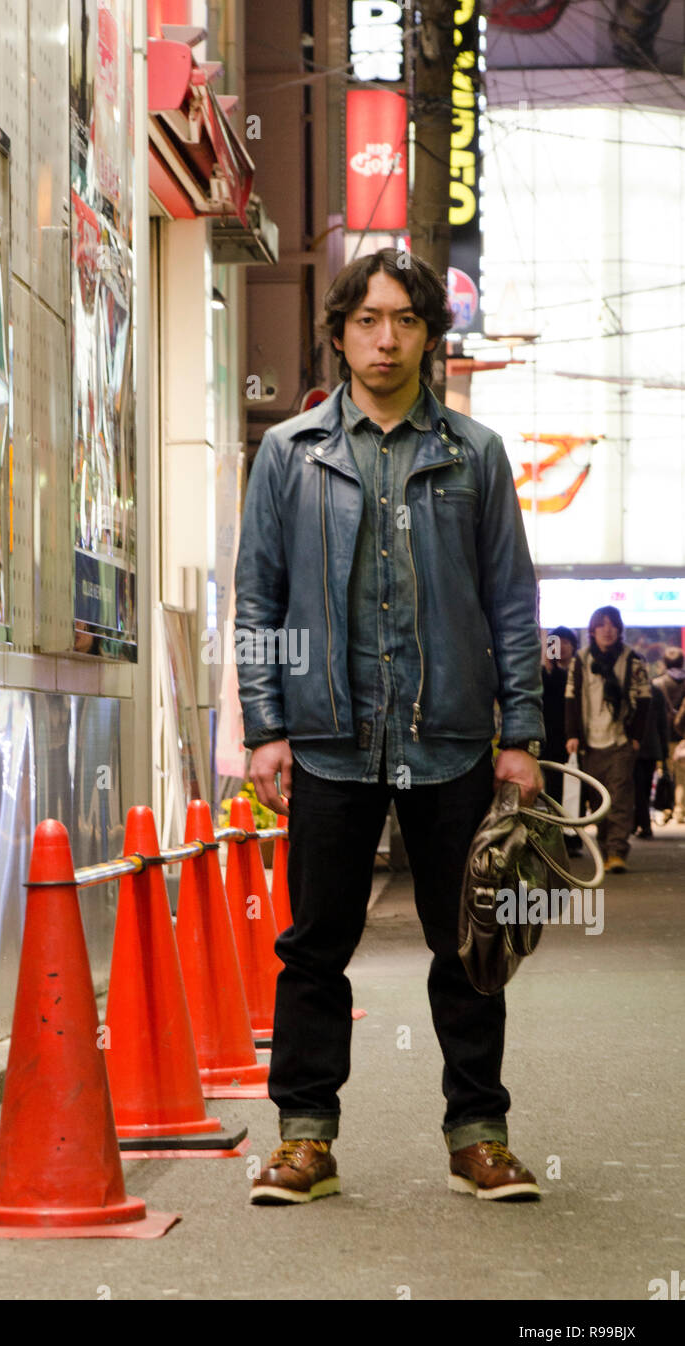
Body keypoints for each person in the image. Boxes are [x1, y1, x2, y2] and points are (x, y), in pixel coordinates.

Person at [234, 249, 546, 1207]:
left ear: (427, 335)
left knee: (470, 944)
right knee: (314, 945)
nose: (384, 337)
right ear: (339, 331)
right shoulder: (291, 453)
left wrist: (520, 734)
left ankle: (479, 1133)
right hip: (330, 738)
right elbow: (261, 598)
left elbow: (510, 602)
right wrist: (266, 723)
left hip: (448, 737)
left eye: (404, 320)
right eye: (367, 319)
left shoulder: (473, 454)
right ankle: (304, 1140)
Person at [564, 606, 650, 872]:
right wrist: (572, 735)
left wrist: (635, 737)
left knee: (620, 795)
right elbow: (571, 698)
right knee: (597, 799)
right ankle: (605, 844)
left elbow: (645, 699)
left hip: (620, 740)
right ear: (593, 630)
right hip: (590, 742)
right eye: (601, 625)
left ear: (619, 629)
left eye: (612, 624)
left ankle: (616, 850)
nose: (607, 630)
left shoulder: (633, 659)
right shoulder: (580, 660)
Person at [541, 625, 581, 853]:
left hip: (572, 739)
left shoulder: (580, 672)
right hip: (550, 738)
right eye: (555, 643)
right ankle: (555, 836)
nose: (561, 647)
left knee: (575, 789)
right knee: (553, 790)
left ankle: (573, 836)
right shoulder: (544, 675)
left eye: (566, 642)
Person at [653, 647, 685, 823]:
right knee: (682, 776)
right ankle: (680, 811)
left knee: (664, 772)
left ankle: (665, 809)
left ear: (665, 662)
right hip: (683, 736)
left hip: (663, 736)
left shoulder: (658, 684)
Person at [633, 682, 669, 837]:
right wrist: (663, 749)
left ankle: (644, 825)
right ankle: (638, 822)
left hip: (634, 745)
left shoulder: (630, 689)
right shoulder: (656, 691)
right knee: (645, 788)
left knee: (638, 788)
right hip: (652, 746)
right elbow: (663, 722)